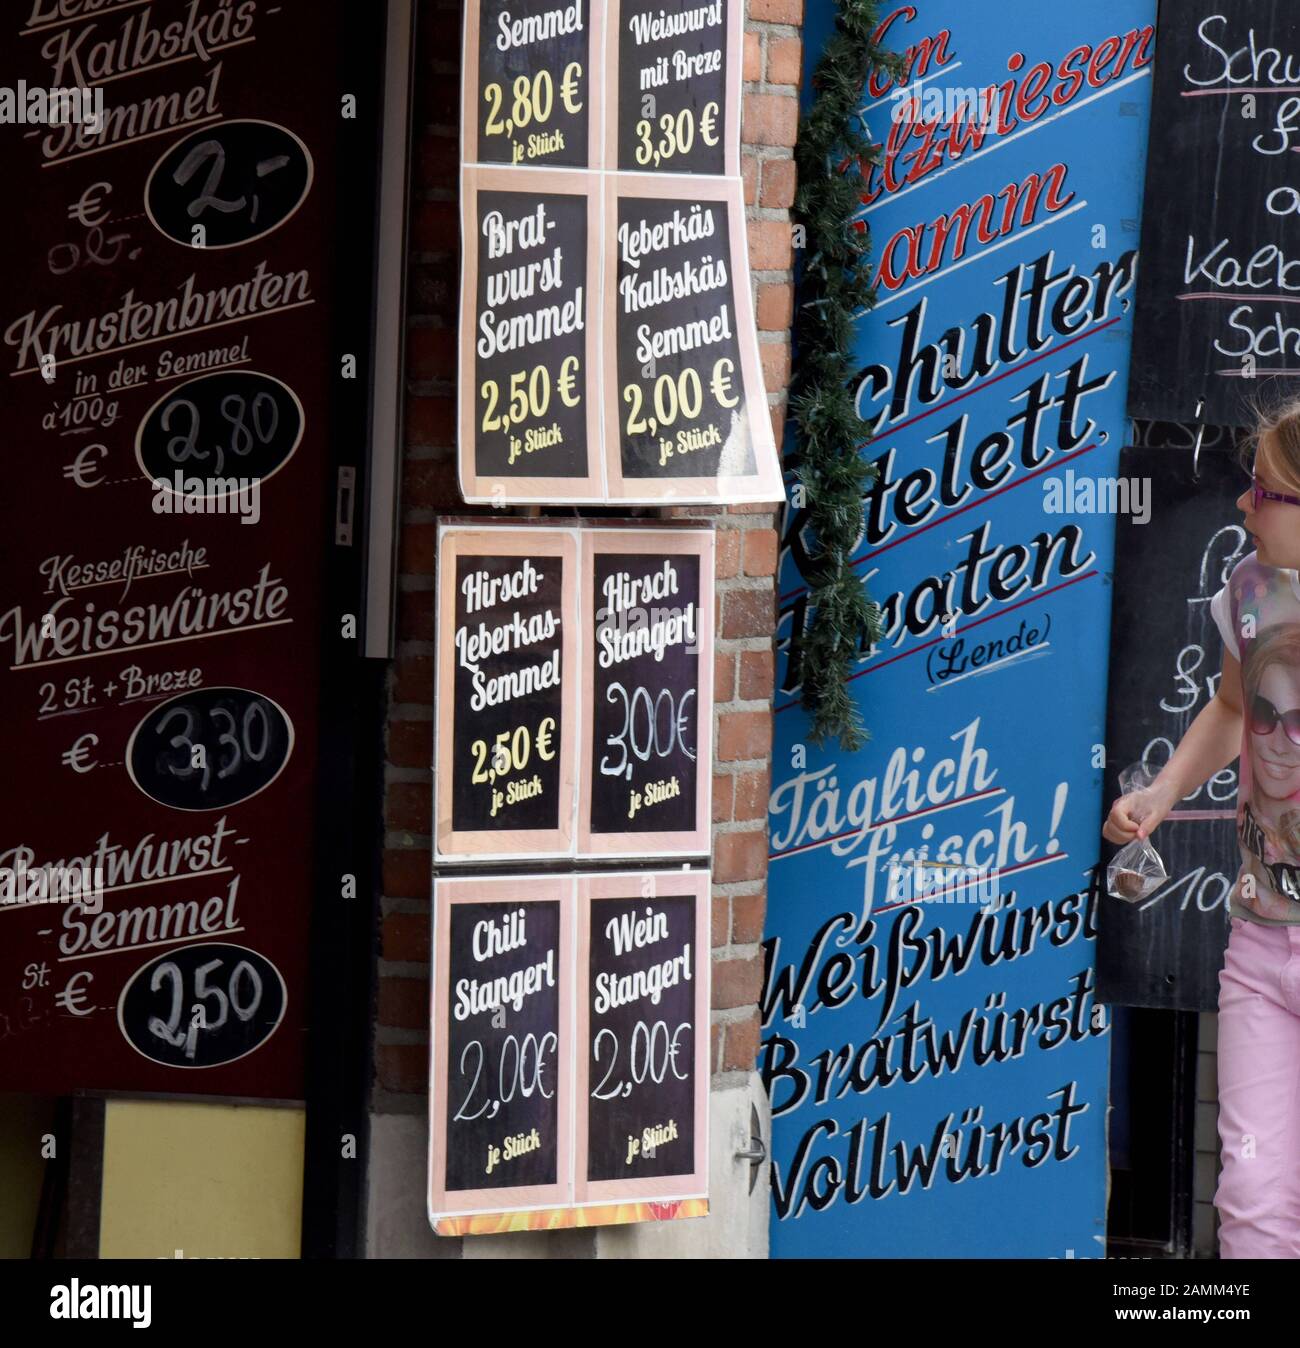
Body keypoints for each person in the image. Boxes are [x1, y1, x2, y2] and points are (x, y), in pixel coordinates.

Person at [1102, 400, 1300, 1258]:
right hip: (1263, 942)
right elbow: (1228, 707)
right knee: (1250, 1191)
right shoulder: (1248, 594)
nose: (1240, 506)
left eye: (1264, 491)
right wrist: (1163, 792)